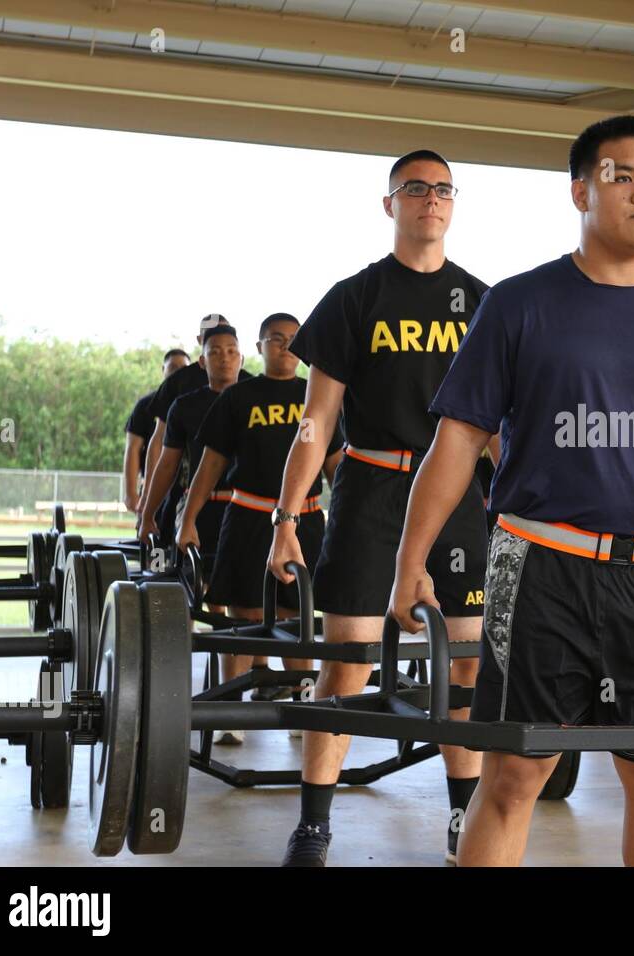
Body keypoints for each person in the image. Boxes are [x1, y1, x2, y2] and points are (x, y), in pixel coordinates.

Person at [390, 115, 634, 867]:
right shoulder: (519, 303)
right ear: (580, 191)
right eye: (622, 176)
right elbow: (457, 441)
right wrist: (411, 562)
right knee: (512, 775)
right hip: (540, 567)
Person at [267, 149, 495, 867]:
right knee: (348, 667)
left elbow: (500, 429)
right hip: (371, 491)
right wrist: (285, 519)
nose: (432, 198)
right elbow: (317, 420)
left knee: (465, 663)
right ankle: (314, 823)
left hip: (457, 498)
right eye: (417, 188)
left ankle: (463, 818)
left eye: (444, 189)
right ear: (390, 203)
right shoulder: (355, 297)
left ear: (454, 205)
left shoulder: (484, 302)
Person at [177, 314, 343, 741]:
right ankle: (230, 713)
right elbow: (210, 462)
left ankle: (303, 707)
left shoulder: (319, 396)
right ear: (260, 346)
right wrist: (188, 517)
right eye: (275, 339)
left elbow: (334, 466)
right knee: (243, 618)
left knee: (296, 617)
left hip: (305, 519)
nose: (285, 347)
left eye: (292, 340)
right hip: (247, 517)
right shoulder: (238, 398)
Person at [140, 324, 244, 595]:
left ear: (241, 358)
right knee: (192, 589)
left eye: (232, 351)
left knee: (243, 597)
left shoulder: (255, 400)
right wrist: (148, 513)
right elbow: (167, 464)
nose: (225, 358)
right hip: (198, 509)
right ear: (202, 360)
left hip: (247, 509)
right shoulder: (184, 406)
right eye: (216, 352)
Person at [123, 348, 188, 539]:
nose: (178, 371)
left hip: (184, 486)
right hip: (155, 484)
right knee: (154, 540)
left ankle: (177, 568)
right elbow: (133, 449)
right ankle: (155, 567)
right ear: (163, 369)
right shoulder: (146, 405)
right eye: (173, 367)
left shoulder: (192, 403)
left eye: (183, 368)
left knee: (178, 543)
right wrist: (131, 493)